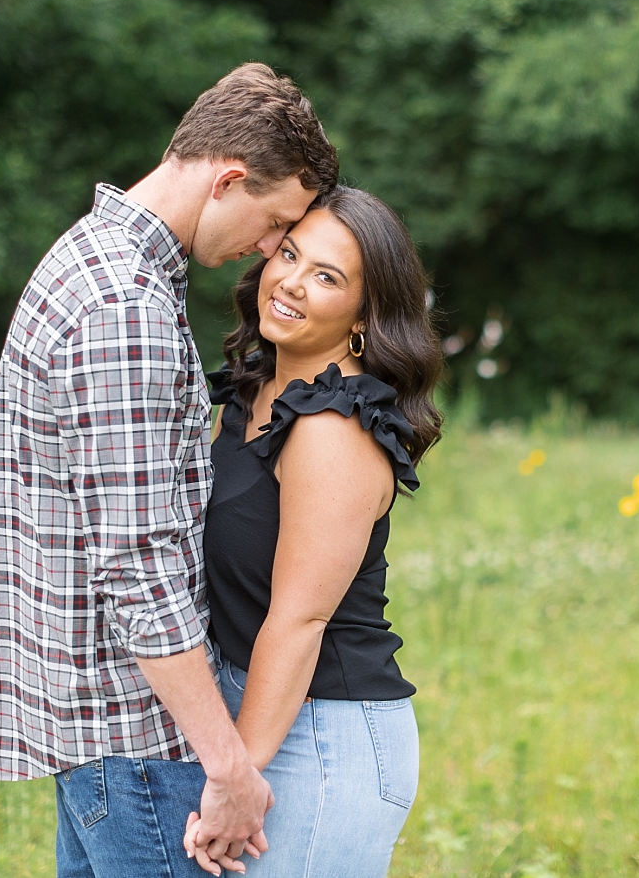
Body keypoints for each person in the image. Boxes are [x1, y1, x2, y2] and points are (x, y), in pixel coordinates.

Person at [0, 62, 339, 878]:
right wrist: (228, 762)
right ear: (229, 178)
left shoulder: (86, 258)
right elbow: (139, 565)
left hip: (93, 731)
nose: (270, 251)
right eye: (275, 222)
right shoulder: (126, 307)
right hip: (137, 738)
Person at [182, 185, 443, 876]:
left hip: (324, 741)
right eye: (290, 253)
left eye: (327, 276)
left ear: (364, 317)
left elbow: (299, 620)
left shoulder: (332, 429)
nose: (292, 281)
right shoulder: (259, 386)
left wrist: (235, 776)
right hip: (263, 712)